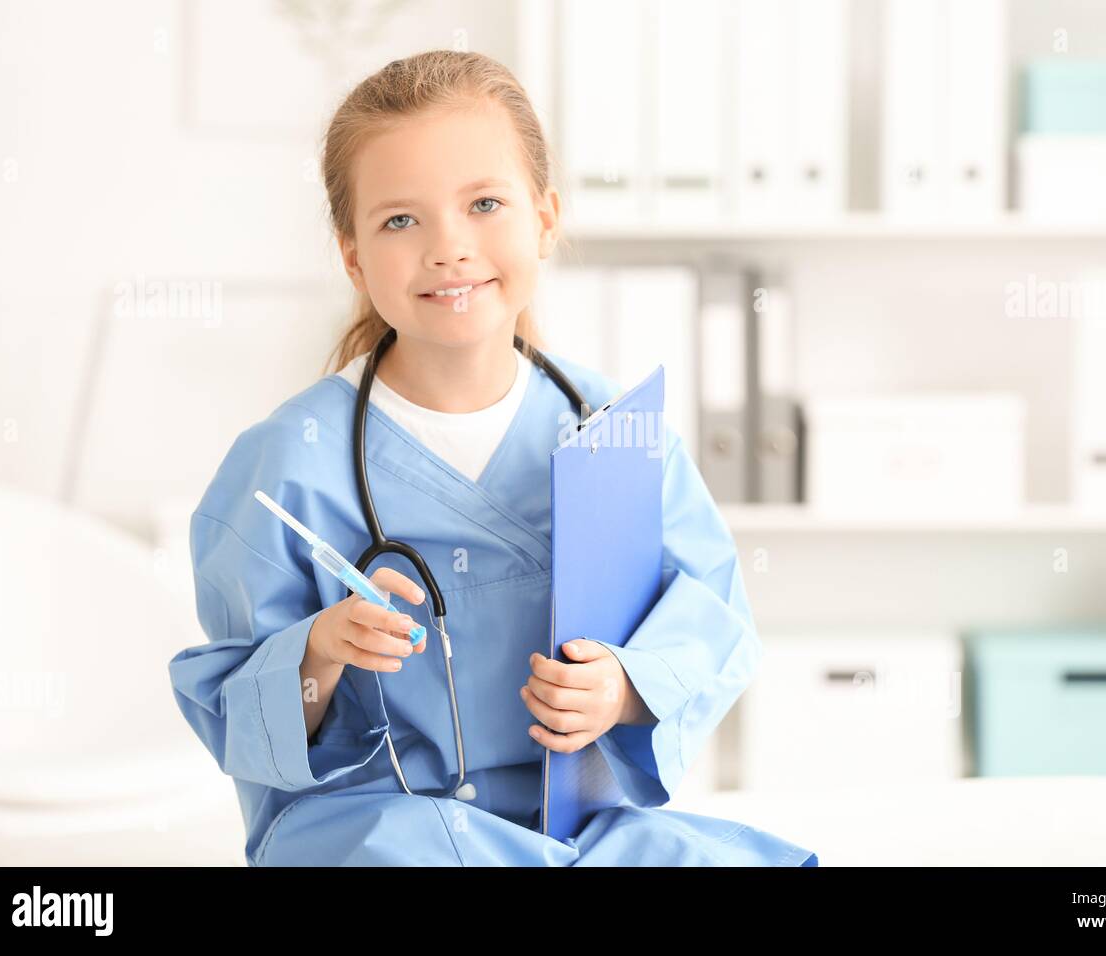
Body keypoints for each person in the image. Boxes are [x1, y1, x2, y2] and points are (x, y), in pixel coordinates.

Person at [168, 49, 818, 867]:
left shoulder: (615, 432)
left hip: (573, 828)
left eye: (483, 204)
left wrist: (621, 689)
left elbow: (711, 622)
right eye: (400, 220)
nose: (449, 248)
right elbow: (237, 715)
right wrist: (318, 653)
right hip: (379, 830)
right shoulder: (287, 463)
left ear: (545, 218)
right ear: (353, 256)